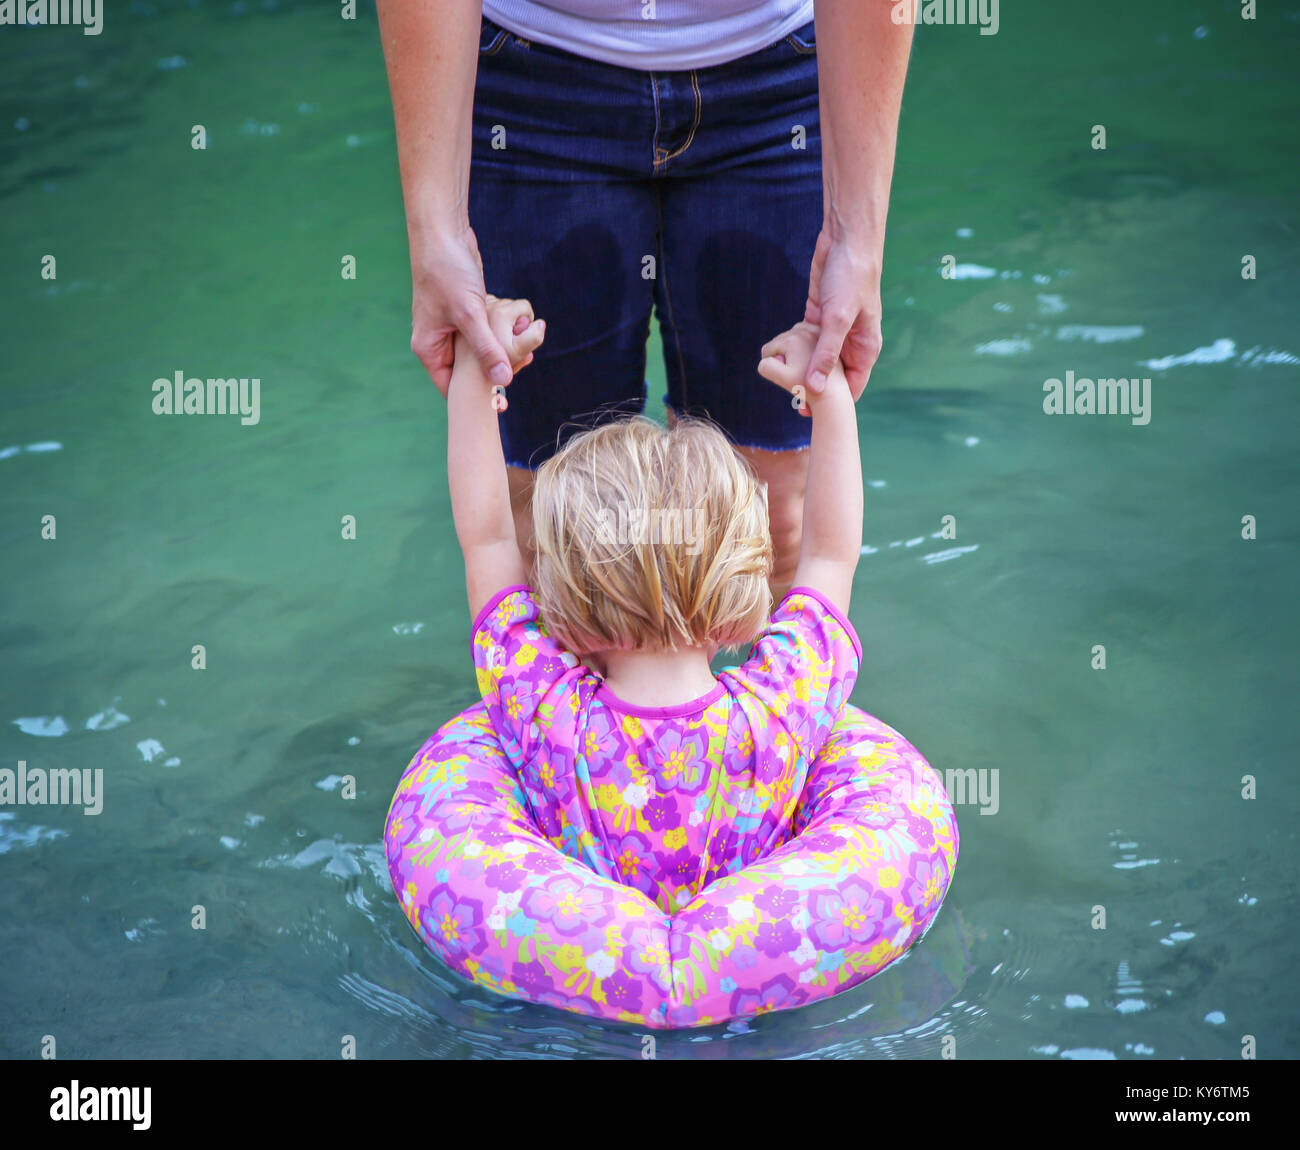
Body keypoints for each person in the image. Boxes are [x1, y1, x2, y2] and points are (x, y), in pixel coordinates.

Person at [377, 1, 911, 597]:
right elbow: (832, 561)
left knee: (771, 521)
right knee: (548, 529)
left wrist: (856, 236)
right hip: (530, 74)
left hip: (779, 70)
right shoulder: (797, 680)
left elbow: (486, 543)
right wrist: (436, 234)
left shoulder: (526, 680)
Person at [446, 294, 862, 912]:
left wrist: (475, 377)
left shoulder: (541, 705)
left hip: (572, 990)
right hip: (757, 986)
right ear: (738, 576)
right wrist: (827, 397)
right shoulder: (783, 705)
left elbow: (486, 537)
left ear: (562, 592)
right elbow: (829, 552)